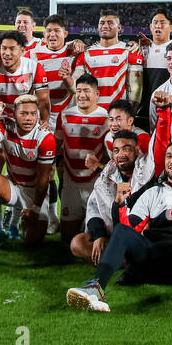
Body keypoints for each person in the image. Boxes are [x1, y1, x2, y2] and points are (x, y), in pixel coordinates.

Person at [65, 138, 172, 315]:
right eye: (169, 156)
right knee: (121, 230)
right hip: (153, 257)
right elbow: (127, 229)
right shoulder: (152, 192)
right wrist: (119, 205)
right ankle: (95, 289)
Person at [0, 96, 57, 250]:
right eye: (23, 113)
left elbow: (43, 179)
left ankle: (25, 219)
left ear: (38, 115)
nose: (28, 118)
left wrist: (35, 209)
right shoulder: (6, 126)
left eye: (33, 114)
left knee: (32, 242)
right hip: (14, 187)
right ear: (14, 114)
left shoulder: (45, 138)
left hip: (35, 193)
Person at [71, 129, 153, 264]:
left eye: (126, 149)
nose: (121, 154)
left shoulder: (147, 174)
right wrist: (99, 235)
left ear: (136, 151)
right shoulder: (107, 175)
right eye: (116, 150)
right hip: (112, 234)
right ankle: (122, 260)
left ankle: (115, 259)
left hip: (137, 235)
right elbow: (94, 208)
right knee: (77, 243)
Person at [55, 73, 109, 245]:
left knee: (94, 237)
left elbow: (109, 153)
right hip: (70, 183)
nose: (82, 95)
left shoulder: (106, 118)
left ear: (96, 94)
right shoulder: (65, 115)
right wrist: (57, 164)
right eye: (78, 91)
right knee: (67, 240)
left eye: (87, 91)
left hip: (94, 184)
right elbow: (57, 144)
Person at [73, 9, 143, 112]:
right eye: (102, 23)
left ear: (119, 27)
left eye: (110, 23)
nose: (105, 26)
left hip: (117, 114)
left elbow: (135, 89)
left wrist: (129, 113)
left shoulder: (130, 51)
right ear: (98, 27)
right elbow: (75, 87)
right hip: (92, 114)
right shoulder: (85, 53)